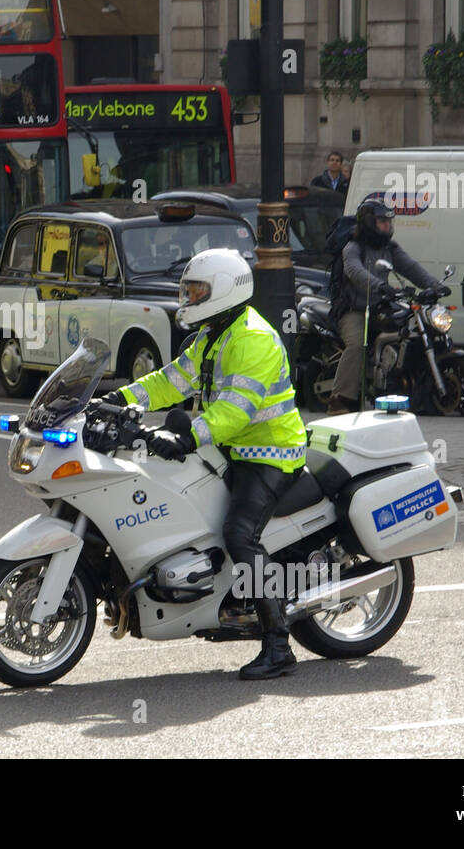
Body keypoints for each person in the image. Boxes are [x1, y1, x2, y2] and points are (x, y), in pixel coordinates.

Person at [96, 248, 308, 680]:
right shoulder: (215, 334)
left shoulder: (253, 339)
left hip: (269, 454)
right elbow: (170, 381)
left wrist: (186, 436)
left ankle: (278, 644)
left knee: (239, 533)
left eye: (197, 291)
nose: (189, 299)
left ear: (226, 291)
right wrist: (117, 399)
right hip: (230, 448)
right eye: (188, 291)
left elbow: (233, 412)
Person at [328, 198, 449, 414]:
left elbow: (411, 268)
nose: (386, 225)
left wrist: (435, 285)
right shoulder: (353, 248)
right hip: (354, 310)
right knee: (357, 345)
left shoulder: (389, 248)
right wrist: (380, 286)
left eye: (388, 221)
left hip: (381, 307)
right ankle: (340, 398)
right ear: (368, 222)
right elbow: (356, 272)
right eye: (381, 221)